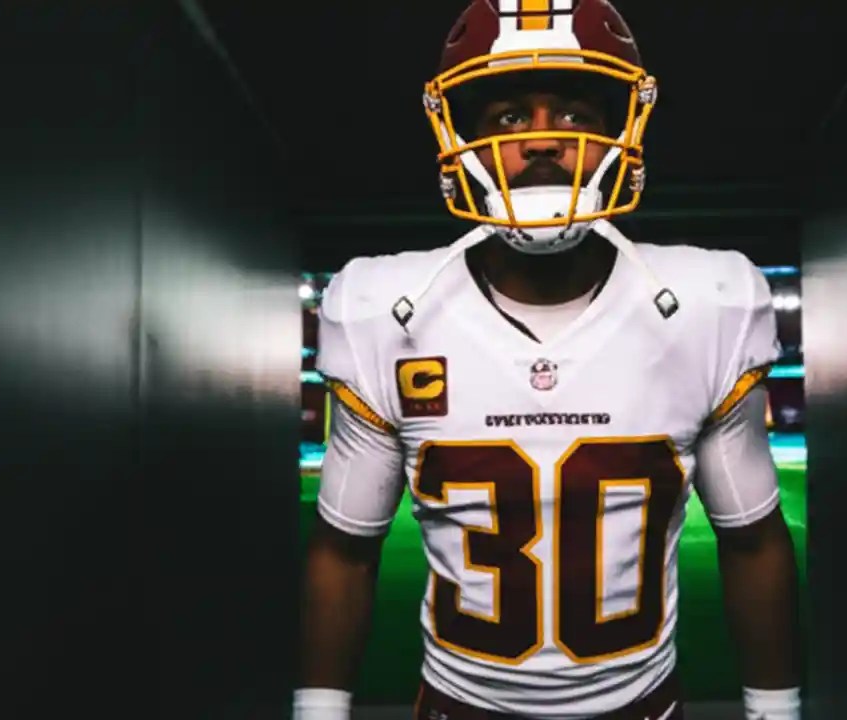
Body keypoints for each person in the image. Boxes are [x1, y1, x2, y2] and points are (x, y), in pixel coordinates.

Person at [295, 1, 801, 718]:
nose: (540, 141)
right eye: (507, 116)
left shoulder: (707, 304)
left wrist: (776, 713)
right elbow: (345, 549)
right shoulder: (381, 307)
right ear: (460, 135)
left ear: (622, 127)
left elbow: (751, 539)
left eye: (572, 115)